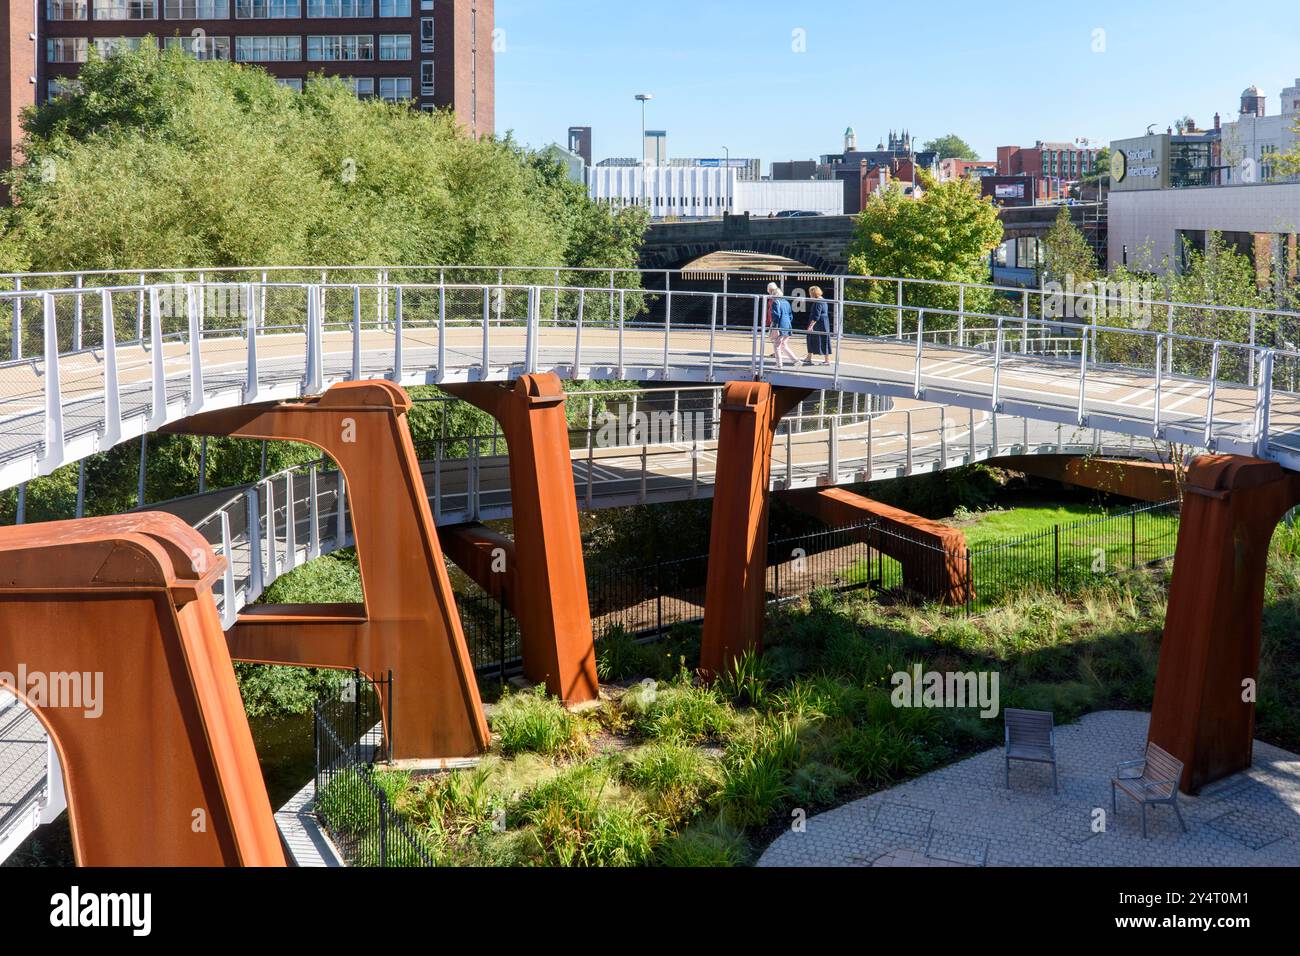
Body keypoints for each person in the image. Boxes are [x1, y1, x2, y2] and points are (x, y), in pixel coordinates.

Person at [766, 282, 799, 368]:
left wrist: (774, 325)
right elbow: (790, 315)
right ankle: (796, 360)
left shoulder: (776, 302)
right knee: (784, 345)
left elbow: (776, 315)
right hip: (787, 325)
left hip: (780, 326)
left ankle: (779, 364)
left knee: (777, 346)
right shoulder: (786, 302)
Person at [804, 286, 832, 366]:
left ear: (813, 293)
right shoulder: (822, 300)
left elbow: (816, 315)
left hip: (819, 323)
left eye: (810, 292)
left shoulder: (818, 301)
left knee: (820, 339)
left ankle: (826, 361)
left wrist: (811, 326)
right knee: (818, 339)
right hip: (822, 322)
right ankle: (809, 357)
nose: (809, 294)